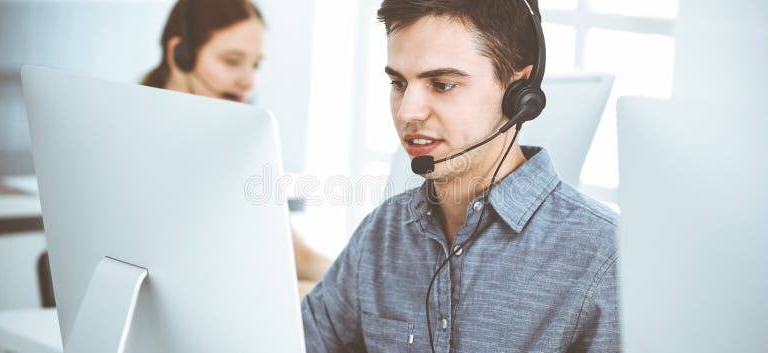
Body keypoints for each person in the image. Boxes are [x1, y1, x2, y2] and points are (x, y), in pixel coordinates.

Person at [301, 0, 620, 352]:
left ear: (519, 94)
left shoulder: (605, 256)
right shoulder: (382, 234)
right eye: (398, 83)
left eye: (442, 84)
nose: (407, 112)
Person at [142, 0, 331, 297]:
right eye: (232, 61)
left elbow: (297, 254)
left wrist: (362, 281)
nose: (248, 82)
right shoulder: (141, 141)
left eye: (255, 65)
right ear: (180, 54)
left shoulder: (235, 139)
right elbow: (202, 283)